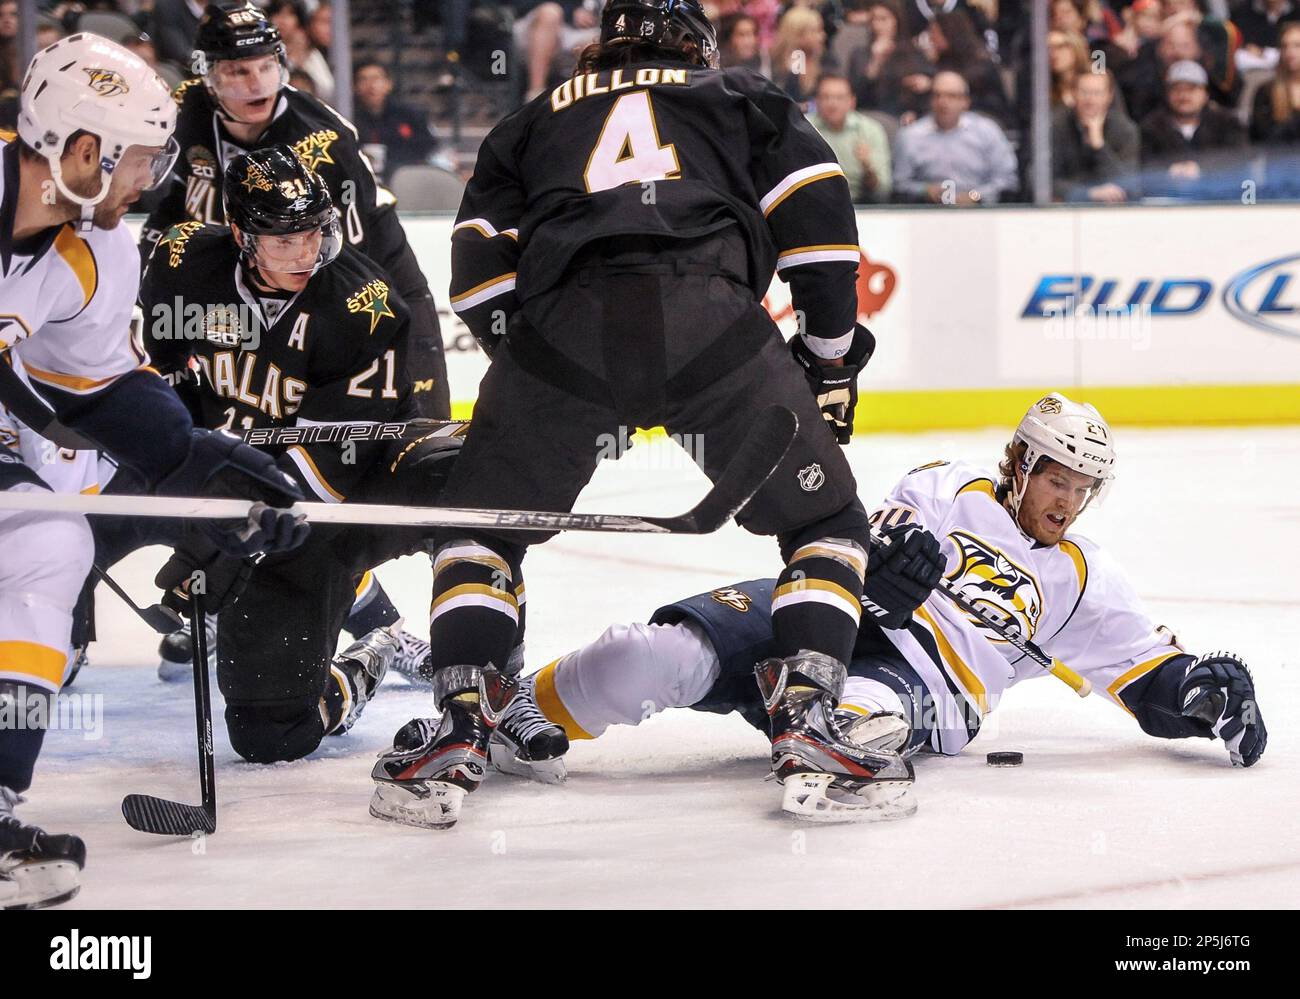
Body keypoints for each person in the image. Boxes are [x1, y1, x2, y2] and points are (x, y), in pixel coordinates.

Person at [369, 0, 885, 830]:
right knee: (828, 523)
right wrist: (827, 364)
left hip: (561, 333)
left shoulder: (531, 118)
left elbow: (473, 273)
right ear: (694, 43)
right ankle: (808, 722)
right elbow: (819, 237)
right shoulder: (739, 93)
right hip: (710, 326)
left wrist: (533, 377)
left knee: (479, 530)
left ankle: (460, 726)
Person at [511, 393, 1267, 822]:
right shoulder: (950, 486)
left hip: (928, 683)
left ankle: (817, 735)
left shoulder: (1084, 577)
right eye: (1055, 479)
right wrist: (892, 566)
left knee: (864, 718)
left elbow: (1151, 676)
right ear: (1022, 463)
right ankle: (510, 717)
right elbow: (874, 545)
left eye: (1081, 487)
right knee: (644, 656)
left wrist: (1206, 694)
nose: (1066, 501)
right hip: (833, 614)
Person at [0, 34, 306, 911]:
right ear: (81, 151)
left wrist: (208, 471)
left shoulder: (96, 256)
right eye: (140, 159)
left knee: (49, 544)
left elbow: (105, 397)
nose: (152, 180)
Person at [142, 4, 450, 421]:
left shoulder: (322, 142)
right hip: (258, 267)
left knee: (410, 426)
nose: (257, 85)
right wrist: (151, 266)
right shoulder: (184, 108)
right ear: (208, 77)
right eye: (237, 71)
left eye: (266, 67)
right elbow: (177, 200)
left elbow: (332, 265)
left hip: (370, 273)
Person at [892, 70, 1019, 203]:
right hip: (928, 213)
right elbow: (899, 184)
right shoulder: (910, 136)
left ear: (965, 102)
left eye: (951, 96)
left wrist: (974, 196)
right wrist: (924, 190)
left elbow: (1007, 180)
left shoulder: (987, 131)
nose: (943, 102)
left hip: (980, 213)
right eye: (937, 95)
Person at [1139, 58, 1247, 197]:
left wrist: (1201, 168)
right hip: (1166, 202)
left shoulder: (1228, 124)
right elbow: (1142, 166)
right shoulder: (1151, 127)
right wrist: (1168, 170)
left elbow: (1239, 161)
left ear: (1205, 94)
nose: (1183, 96)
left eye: (1191, 89)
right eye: (1177, 89)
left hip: (1218, 202)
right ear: (1167, 94)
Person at [352, 60, 449, 183]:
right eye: (363, 79)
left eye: (376, 78)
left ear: (388, 84)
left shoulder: (410, 115)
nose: (371, 85)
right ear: (355, 86)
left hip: (409, 180)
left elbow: (428, 146)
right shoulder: (350, 119)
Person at [1051, 68, 1140, 201]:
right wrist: (1088, 193)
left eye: (1097, 93)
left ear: (1109, 96)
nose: (1090, 99)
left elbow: (1131, 186)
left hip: (1111, 211)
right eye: (1084, 92)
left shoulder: (1125, 129)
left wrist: (1099, 146)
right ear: (1073, 93)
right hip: (1065, 208)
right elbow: (1039, 179)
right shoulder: (1055, 125)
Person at [807, 72, 893, 201]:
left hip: (860, 204)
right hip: (814, 202)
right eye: (825, 97)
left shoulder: (871, 130)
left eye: (839, 97)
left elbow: (883, 191)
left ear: (852, 102)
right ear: (816, 101)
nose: (832, 104)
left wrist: (868, 167)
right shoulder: (804, 129)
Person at [844, 0, 932, 122]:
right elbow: (854, 96)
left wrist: (926, 83)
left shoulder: (913, 53)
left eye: (883, 19)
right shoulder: (860, 55)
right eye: (873, 20)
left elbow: (929, 83)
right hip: (868, 117)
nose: (877, 25)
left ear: (896, 21)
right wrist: (875, 62)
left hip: (902, 118)